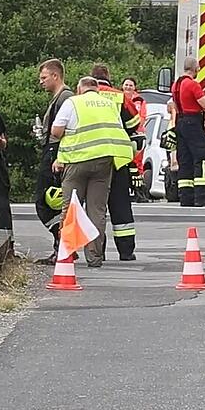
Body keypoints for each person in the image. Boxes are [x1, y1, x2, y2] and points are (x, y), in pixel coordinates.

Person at [51, 77, 134, 268]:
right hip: (104, 162)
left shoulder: (73, 102)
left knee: (71, 209)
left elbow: (56, 131)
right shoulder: (109, 104)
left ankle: (66, 255)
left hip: (76, 161)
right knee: (97, 211)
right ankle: (95, 257)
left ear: (80, 89)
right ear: (97, 90)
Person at [90, 64, 142, 261]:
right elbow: (134, 123)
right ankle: (126, 251)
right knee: (120, 205)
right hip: (118, 159)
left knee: (96, 206)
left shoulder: (82, 97)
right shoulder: (119, 96)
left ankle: (97, 250)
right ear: (109, 78)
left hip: (91, 157)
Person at [35, 59, 76, 263]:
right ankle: (63, 244)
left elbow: (62, 132)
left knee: (48, 201)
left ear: (55, 76)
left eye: (43, 78)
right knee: (51, 202)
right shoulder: (58, 98)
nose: (40, 82)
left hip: (56, 154)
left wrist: (58, 157)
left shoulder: (65, 98)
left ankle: (64, 244)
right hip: (53, 152)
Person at [170, 57, 205, 207]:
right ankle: (202, 196)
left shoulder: (176, 84)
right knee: (202, 157)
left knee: (185, 159)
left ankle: (186, 197)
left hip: (181, 121)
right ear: (195, 68)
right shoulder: (192, 84)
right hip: (193, 122)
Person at [122, 77, 149, 203]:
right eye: (126, 85)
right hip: (123, 136)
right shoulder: (119, 98)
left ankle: (139, 191)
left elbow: (142, 117)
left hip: (137, 136)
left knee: (137, 165)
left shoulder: (139, 100)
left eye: (130, 85)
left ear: (134, 88)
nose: (128, 87)